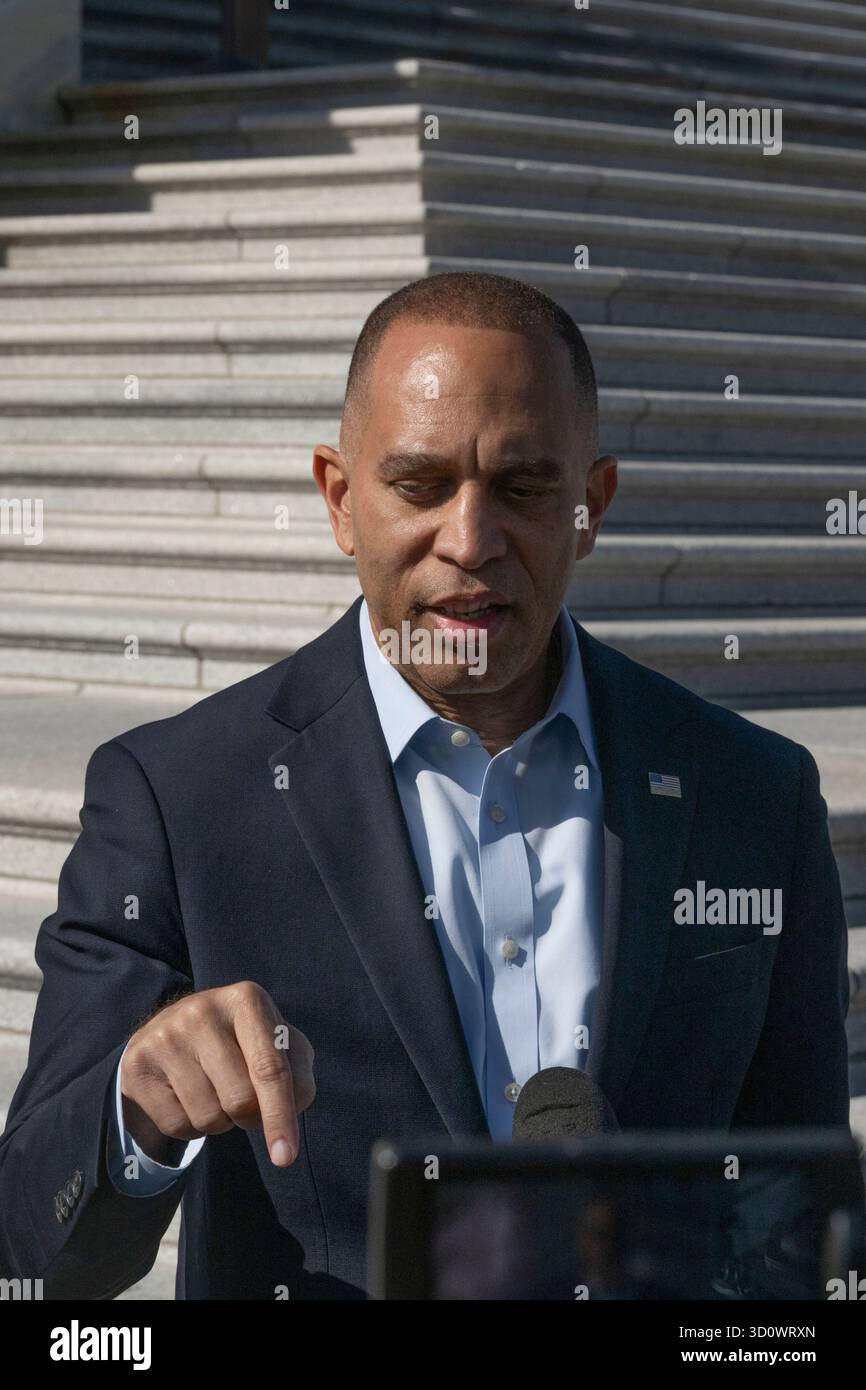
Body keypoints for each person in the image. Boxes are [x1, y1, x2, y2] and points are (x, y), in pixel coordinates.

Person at [0, 272, 854, 1299]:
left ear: (591, 505)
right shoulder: (177, 799)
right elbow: (37, 1247)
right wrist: (132, 1111)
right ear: (338, 498)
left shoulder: (752, 792)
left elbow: (796, 1224)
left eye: (525, 488)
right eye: (418, 484)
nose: (470, 540)